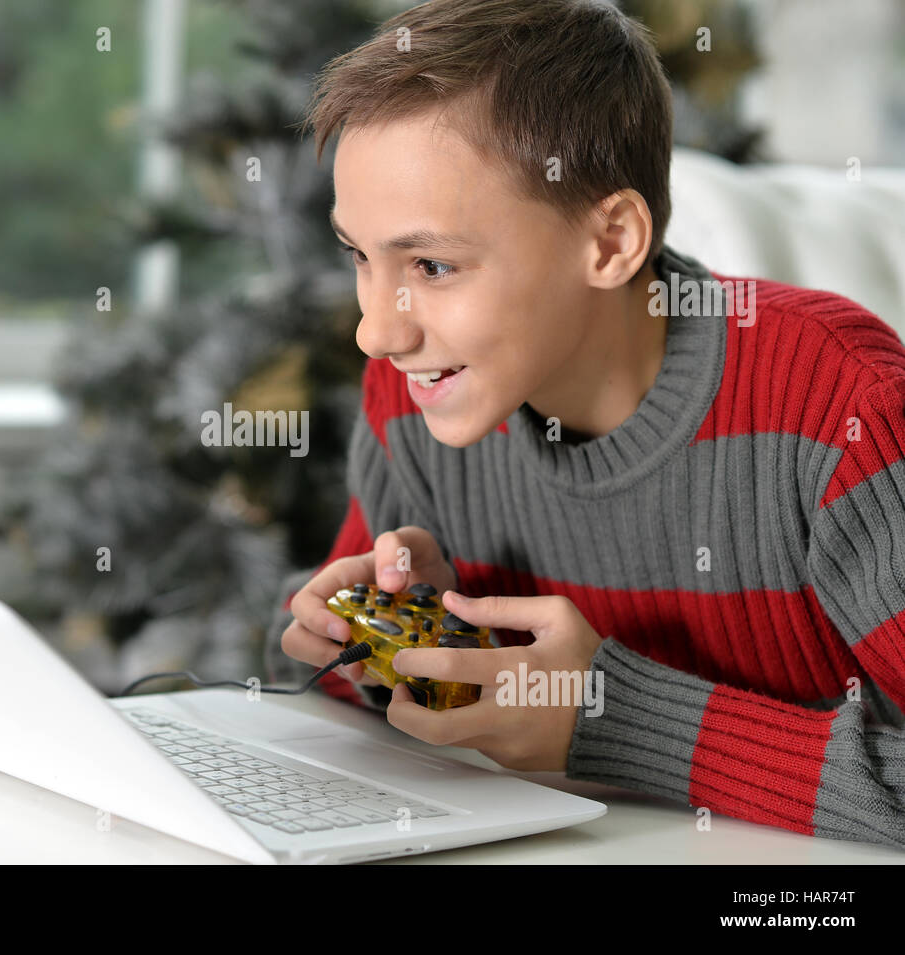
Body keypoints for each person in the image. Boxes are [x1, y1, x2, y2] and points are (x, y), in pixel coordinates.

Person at [267, 0, 905, 849]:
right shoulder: (417, 399)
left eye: (432, 264)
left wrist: (613, 716)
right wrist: (396, 646)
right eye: (360, 257)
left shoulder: (839, 406)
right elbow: (343, 694)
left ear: (609, 243)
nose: (378, 331)